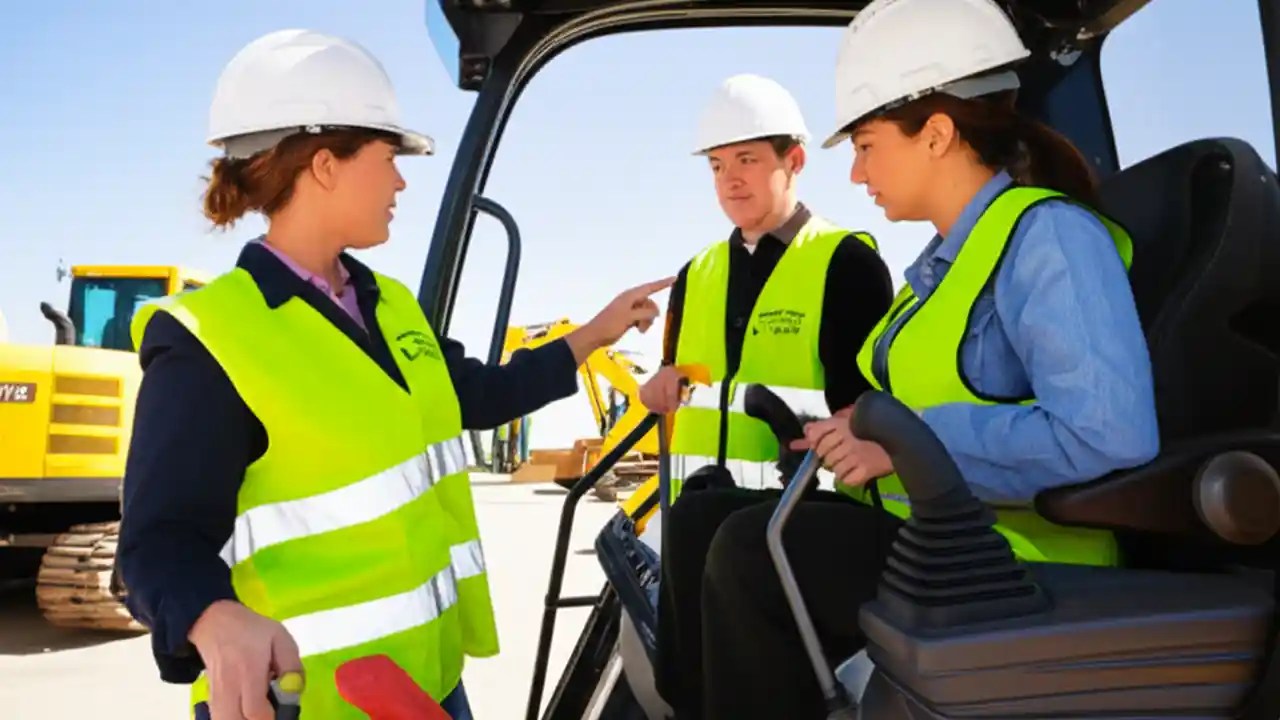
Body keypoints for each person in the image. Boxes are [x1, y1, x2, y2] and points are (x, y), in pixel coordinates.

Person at [114, 29, 672, 720]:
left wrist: (594, 334)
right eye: (387, 157)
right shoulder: (209, 339)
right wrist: (211, 616)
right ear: (324, 165)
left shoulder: (391, 306)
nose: (402, 180)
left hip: (428, 684)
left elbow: (479, 395)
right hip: (308, 703)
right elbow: (156, 543)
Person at [693, 0, 1162, 717]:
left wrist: (907, 444)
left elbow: (1108, 433)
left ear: (937, 134)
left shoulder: (1051, 239)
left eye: (867, 145)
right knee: (706, 516)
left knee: (749, 549)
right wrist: (853, 430)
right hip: (938, 537)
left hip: (1011, 567)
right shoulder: (943, 264)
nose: (854, 174)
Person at [639, 73, 894, 718]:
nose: (730, 180)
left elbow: (871, 409)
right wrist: (661, 385)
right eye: (719, 165)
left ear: (795, 161)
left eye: (748, 160)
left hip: (805, 519)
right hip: (701, 516)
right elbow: (681, 379)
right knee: (691, 683)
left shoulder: (847, 264)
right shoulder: (697, 274)